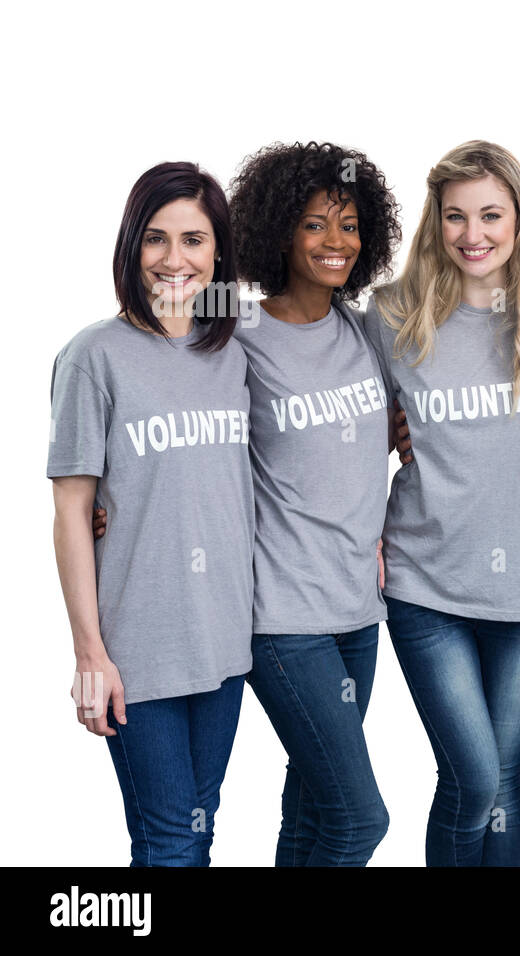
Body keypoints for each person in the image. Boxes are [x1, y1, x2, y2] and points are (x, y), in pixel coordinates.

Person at [362, 140, 520, 866]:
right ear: (436, 221)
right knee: (474, 774)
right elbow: (340, 427)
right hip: (426, 584)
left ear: (519, 218)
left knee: (505, 783)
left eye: (491, 215)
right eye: (455, 217)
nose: (472, 235)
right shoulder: (391, 312)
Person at [49, 162, 253, 865]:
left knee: (195, 831)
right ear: (132, 247)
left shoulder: (232, 353)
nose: (174, 260)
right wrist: (90, 656)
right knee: (171, 844)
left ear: (218, 251)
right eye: (156, 239)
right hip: (139, 649)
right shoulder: (93, 356)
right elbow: (72, 512)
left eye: (194, 240)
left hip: (225, 642)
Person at [225, 140, 402, 865]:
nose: (337, 242)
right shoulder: (236, 335)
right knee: (361, 822)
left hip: (359, 610)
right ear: (277, 233)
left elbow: (352, 442)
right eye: (315, 225)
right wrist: (107, 494)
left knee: (312, 811)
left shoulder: (363, 332)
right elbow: (169, 414)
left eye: (351, 225)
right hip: (284, 618)